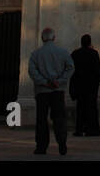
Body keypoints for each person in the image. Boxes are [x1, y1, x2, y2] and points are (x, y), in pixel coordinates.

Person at [28, 27, 75, 155]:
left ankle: (41, 147)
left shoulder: (35, 54)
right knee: (59, 118)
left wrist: (44, 82)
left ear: (42, 38)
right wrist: (59, 81)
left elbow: (32, 71)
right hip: (57, 90)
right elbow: (70, 67)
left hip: (42, 91)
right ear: (54, 38)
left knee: (42, 119)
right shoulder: (63, 52)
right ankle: (62, 143)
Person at [70, 34, 100, 137]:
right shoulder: (93, 53)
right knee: (91, 107)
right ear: (90, 42)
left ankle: (79, 129)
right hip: (91, 85)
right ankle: (92, 129)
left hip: (79, 84)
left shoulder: (75, 53)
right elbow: (97, 69)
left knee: (80, 107)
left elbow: (71, 68)